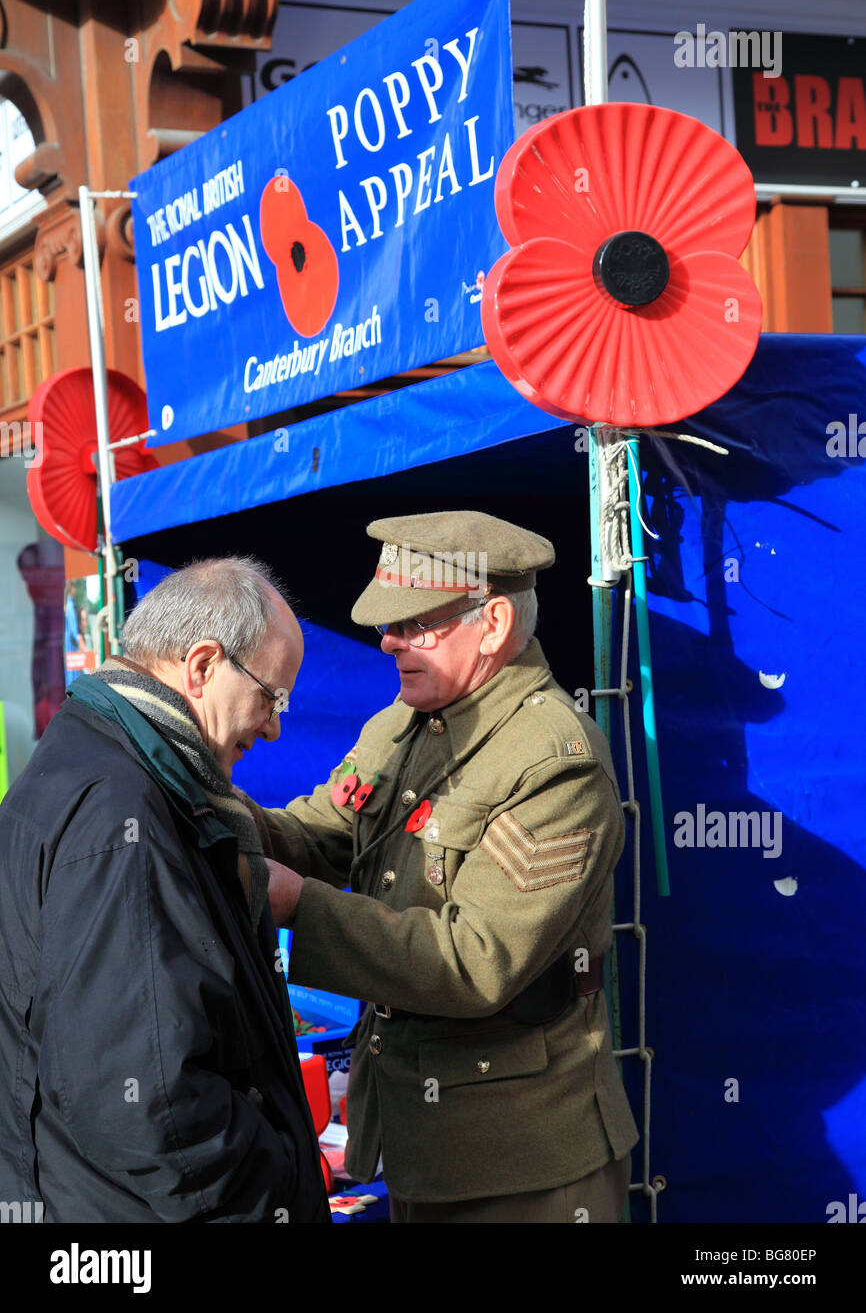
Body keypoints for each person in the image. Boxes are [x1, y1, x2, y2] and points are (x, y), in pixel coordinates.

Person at [254, 511, 639, 1223]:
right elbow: (316, 833)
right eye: (389, 623)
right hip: (418, 1136)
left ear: (492, 625)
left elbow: (475, 961)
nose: (389, 640)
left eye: (417, 622)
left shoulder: (556, 763)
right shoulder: (401, 724)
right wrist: (208, 808)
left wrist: (300, 908)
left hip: (520, 1160)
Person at [0, 557, 330, 1223]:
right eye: (271, 696)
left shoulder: (87, 758)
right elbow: (153, 1104)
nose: (273, 727)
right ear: (203, 666)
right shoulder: (124, 812)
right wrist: (274, 1185)